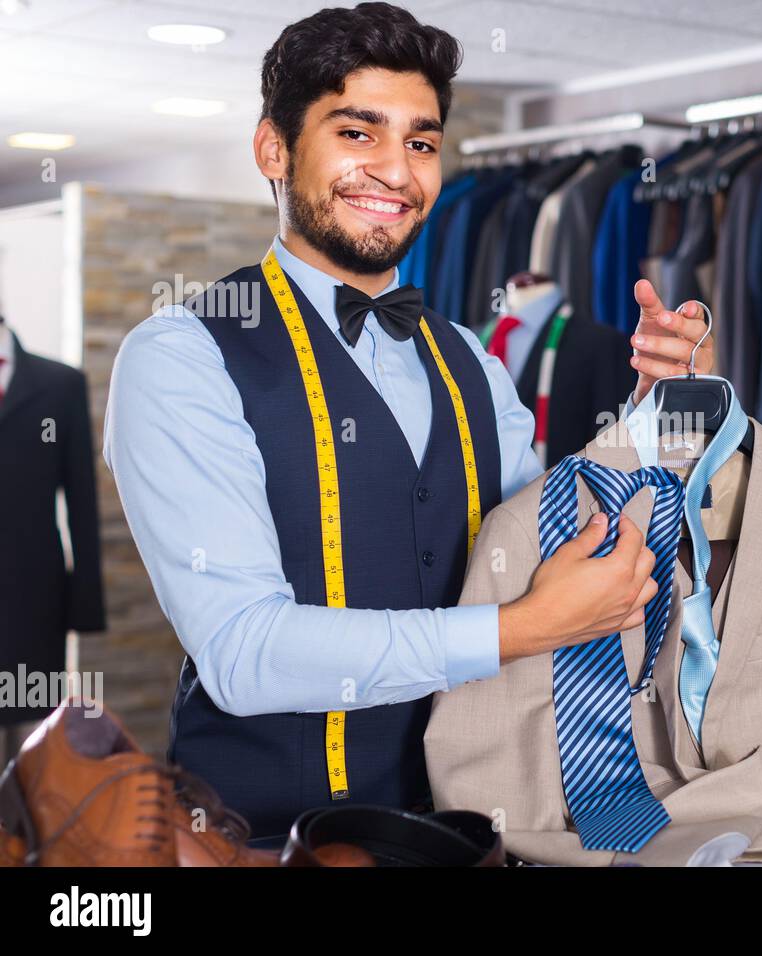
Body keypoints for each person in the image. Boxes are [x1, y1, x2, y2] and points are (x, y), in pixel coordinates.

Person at [102, 2, 713, 839]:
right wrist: (515, 631)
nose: (396, 171)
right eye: (358, 133)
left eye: (420, 143)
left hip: (477, 825)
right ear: (273, 149)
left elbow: (565, 542)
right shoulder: (181, 356)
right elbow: (245, 654)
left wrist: (666, 410)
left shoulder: (469, 356)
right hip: (264, 838)